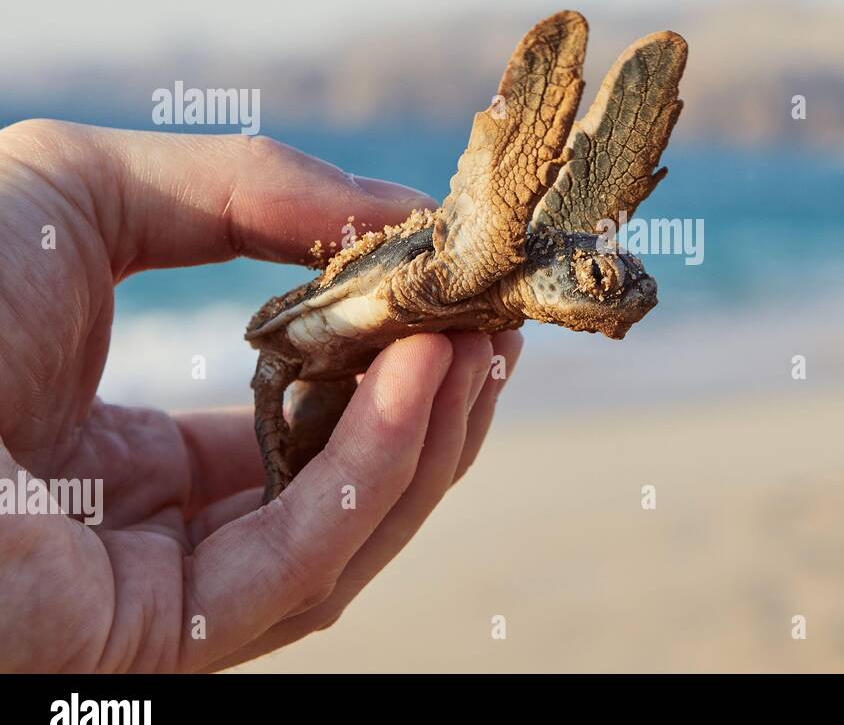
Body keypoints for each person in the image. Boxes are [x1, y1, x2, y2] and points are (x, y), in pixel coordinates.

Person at [0, 118, 521, 672]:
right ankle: (280, 474)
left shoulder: (483, 284)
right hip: (317, 316)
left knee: (392, 409)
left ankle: (284, 469)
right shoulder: (457, 259)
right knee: (304, 429)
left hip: (370, 334)